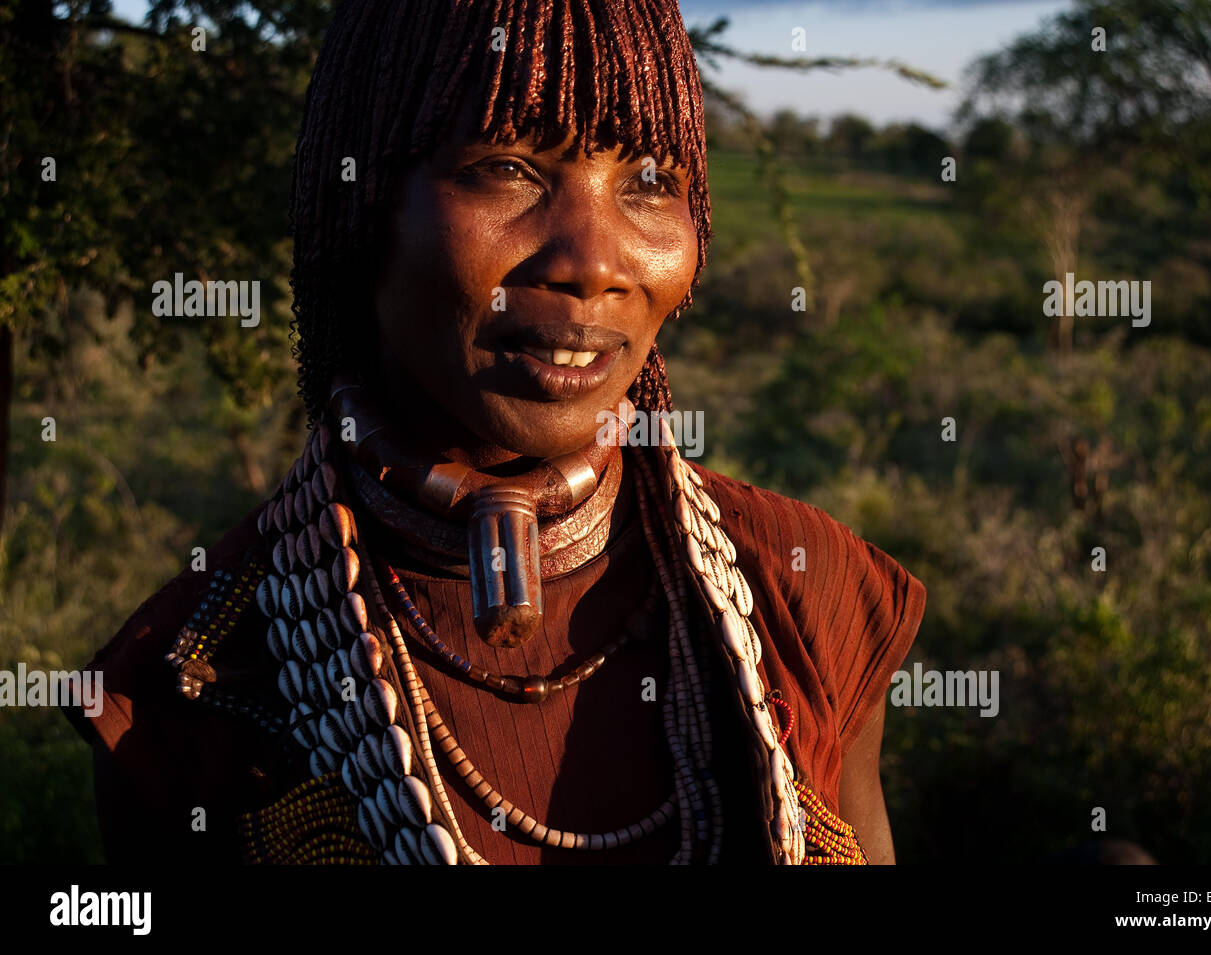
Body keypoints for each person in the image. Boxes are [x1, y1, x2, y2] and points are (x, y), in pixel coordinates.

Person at [63, 0, 926, 865]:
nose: (593, 260)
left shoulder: (810, 593)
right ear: (359, 210)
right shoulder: (190, 687)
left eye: (650, 179)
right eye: (505, 166)